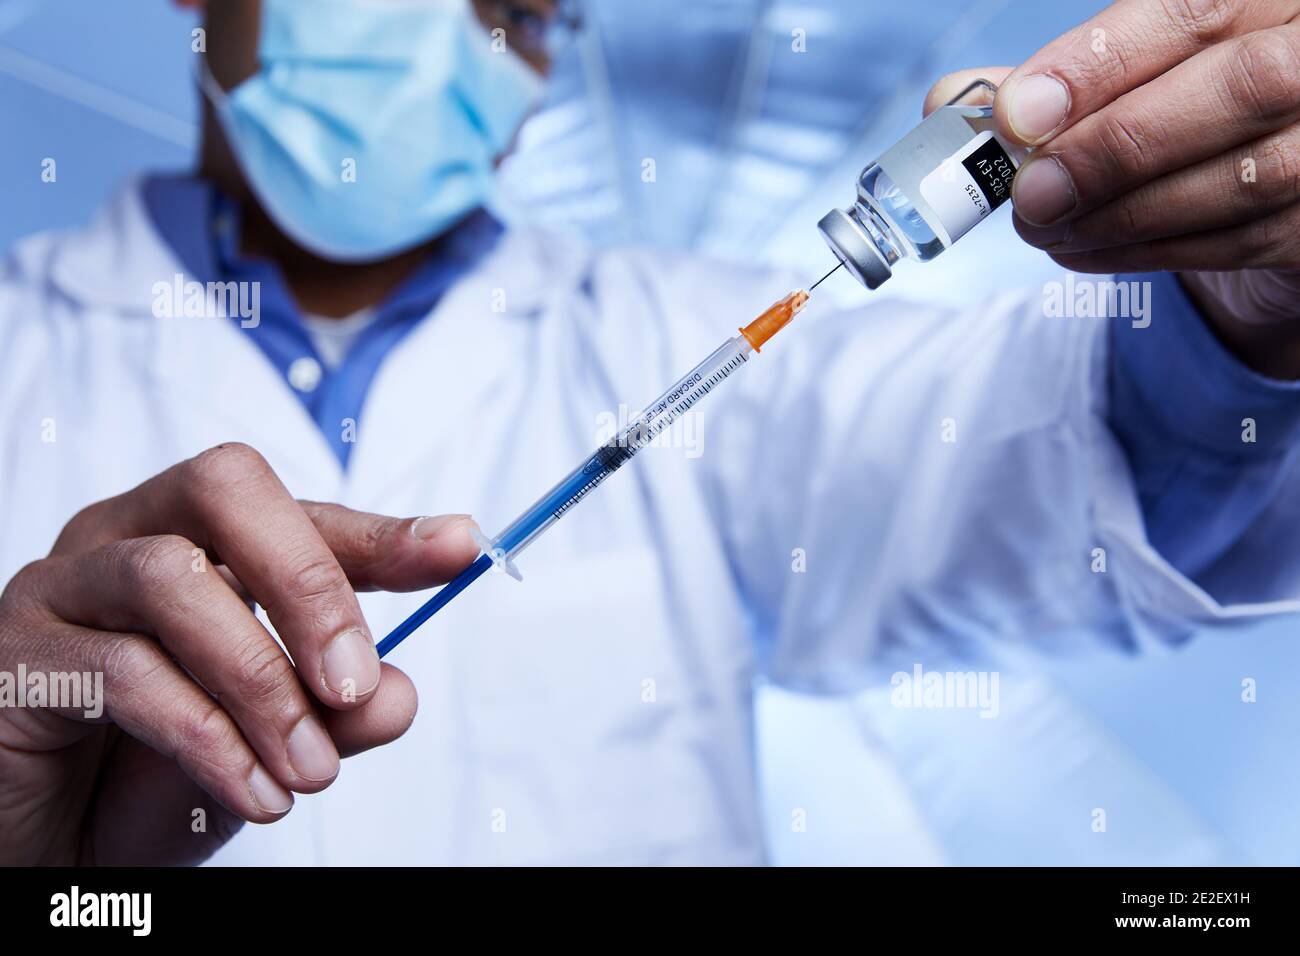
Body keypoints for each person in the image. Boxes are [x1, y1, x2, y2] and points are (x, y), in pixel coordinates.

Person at [0, 0, 1297, 866]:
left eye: (516, 10)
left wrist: (1241, 322)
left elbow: (1072, 475)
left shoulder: (675, 333)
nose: (459, 34)